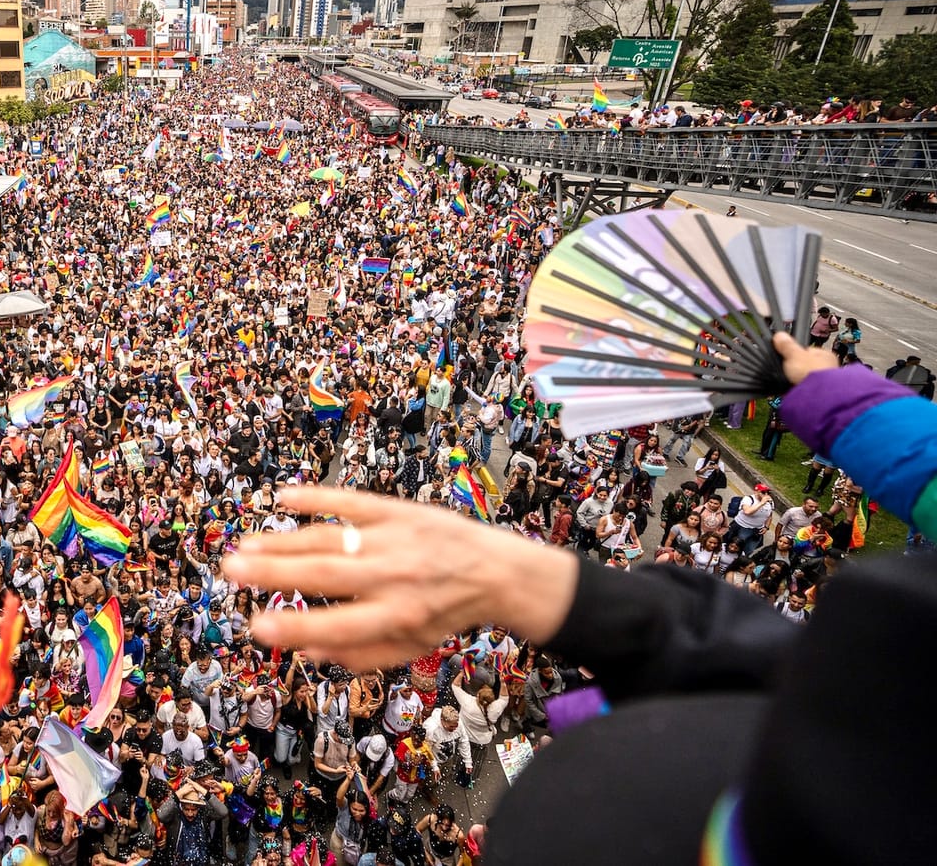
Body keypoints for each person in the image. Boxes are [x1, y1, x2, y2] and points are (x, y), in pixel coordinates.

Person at [224, 332, 936, 865]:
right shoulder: (876, 731)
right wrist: (553, 587)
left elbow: (796, 678)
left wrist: (558, 590)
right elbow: (826, 682)